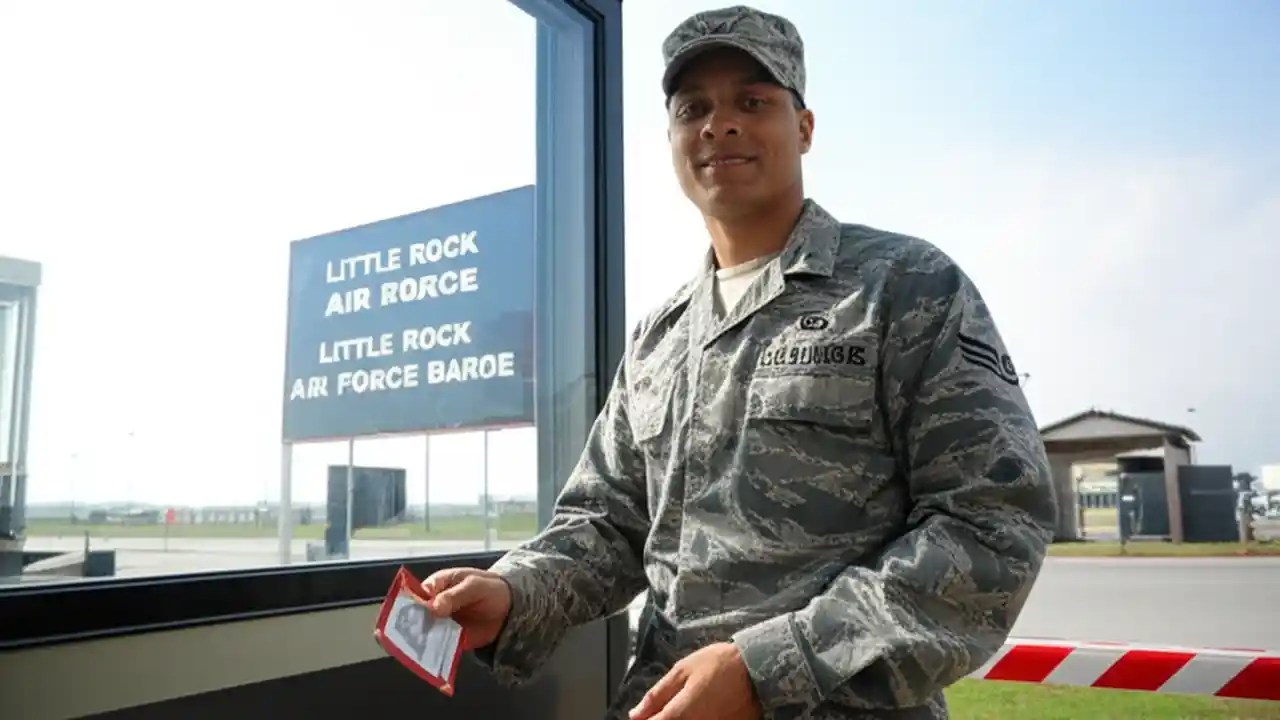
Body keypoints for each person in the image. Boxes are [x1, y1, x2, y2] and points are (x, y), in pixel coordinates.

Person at [419, 5, 1058, 719]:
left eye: (752, 101)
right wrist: (514, 592)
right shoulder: (661, 336)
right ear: (672, 140)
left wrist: (767, 669)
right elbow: (607, 523)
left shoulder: (905, 287)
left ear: (805, 128)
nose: (719, 124)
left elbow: (990, 520)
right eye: (694, 108)